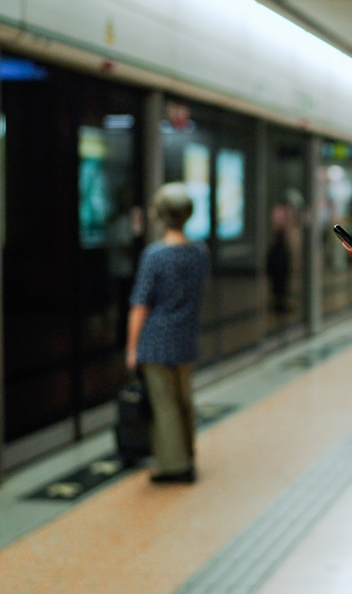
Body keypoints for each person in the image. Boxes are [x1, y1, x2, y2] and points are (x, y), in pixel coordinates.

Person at [126, 183, 210, 484]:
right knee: (184, 401)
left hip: (156, 340)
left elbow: (140, 305)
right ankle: (187, 455)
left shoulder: (154, 255)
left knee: (164, 405)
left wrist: (132, 346)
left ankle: (174, 467)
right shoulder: (199, 252)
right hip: (186, 337)